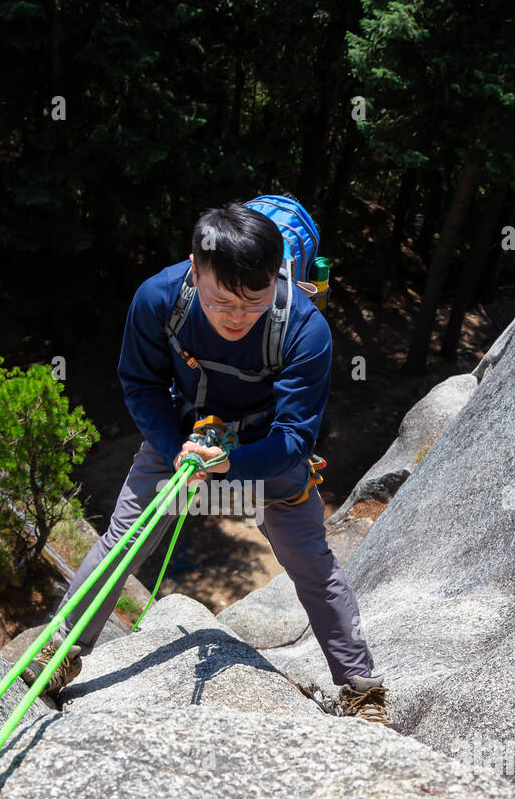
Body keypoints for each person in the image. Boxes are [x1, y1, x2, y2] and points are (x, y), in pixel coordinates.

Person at [23, 201, 387, 721]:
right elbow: (141, 384)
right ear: (195, 270)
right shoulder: (158, 299)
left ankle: (360, 687)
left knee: (309, 561)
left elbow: (295, 436)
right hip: (185, 431)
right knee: (126, 538)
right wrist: (176, 449)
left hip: (266, 443)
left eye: (253, 301)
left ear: (276, 276)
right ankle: (61, 651)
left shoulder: (305, 328)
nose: (237, 317)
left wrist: (230, 468)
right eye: (221, 302)